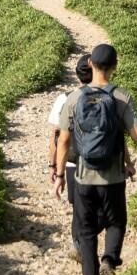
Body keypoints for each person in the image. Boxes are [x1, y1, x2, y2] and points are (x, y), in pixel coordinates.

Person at [54, 41, 137, 275]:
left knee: (86, 231)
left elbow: (64, 142)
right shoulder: (122, 97)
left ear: (90, 64)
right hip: (113, 178)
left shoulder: (73, 99)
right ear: (115, 67)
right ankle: (109, 260)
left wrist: (59, 174)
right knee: (116, 222)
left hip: (82, 177)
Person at [47, 52, 93, 260]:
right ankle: (85, 244)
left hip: (72, 161)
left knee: (78, 206)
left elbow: (57, 137)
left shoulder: (64, 99)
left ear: (76, 74)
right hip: (97, 162)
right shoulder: (108, 96)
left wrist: (54, 168)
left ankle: (79, 244)